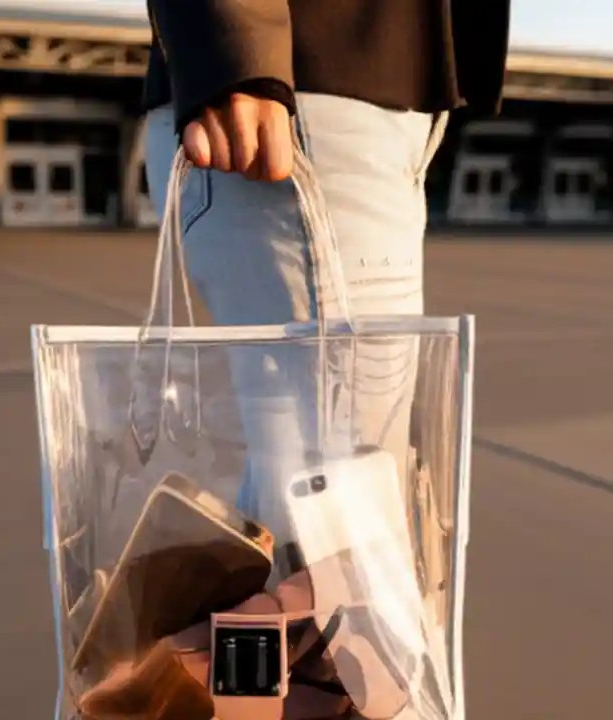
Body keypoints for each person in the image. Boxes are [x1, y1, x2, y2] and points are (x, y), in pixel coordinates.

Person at [142, 0, 511, 562]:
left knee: (331, 513)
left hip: (354, 95)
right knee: (342, 544)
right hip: (297, 92)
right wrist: (237, 51)